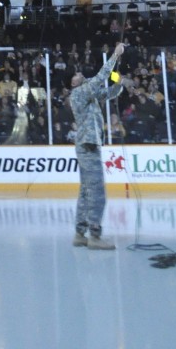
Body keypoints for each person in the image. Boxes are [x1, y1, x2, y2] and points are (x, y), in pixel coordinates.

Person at [69, 43, 126, 250]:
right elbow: (101, 77)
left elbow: (110, 92)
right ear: (73, 83)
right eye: (76, 75)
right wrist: (114, 54)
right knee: (96, 191)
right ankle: (95, 234)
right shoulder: (79, 94)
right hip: (87, 146)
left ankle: (80, 232)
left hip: (88, 146)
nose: (80, 75)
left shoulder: (89, 95)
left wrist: (119, 79)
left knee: (86, 190)